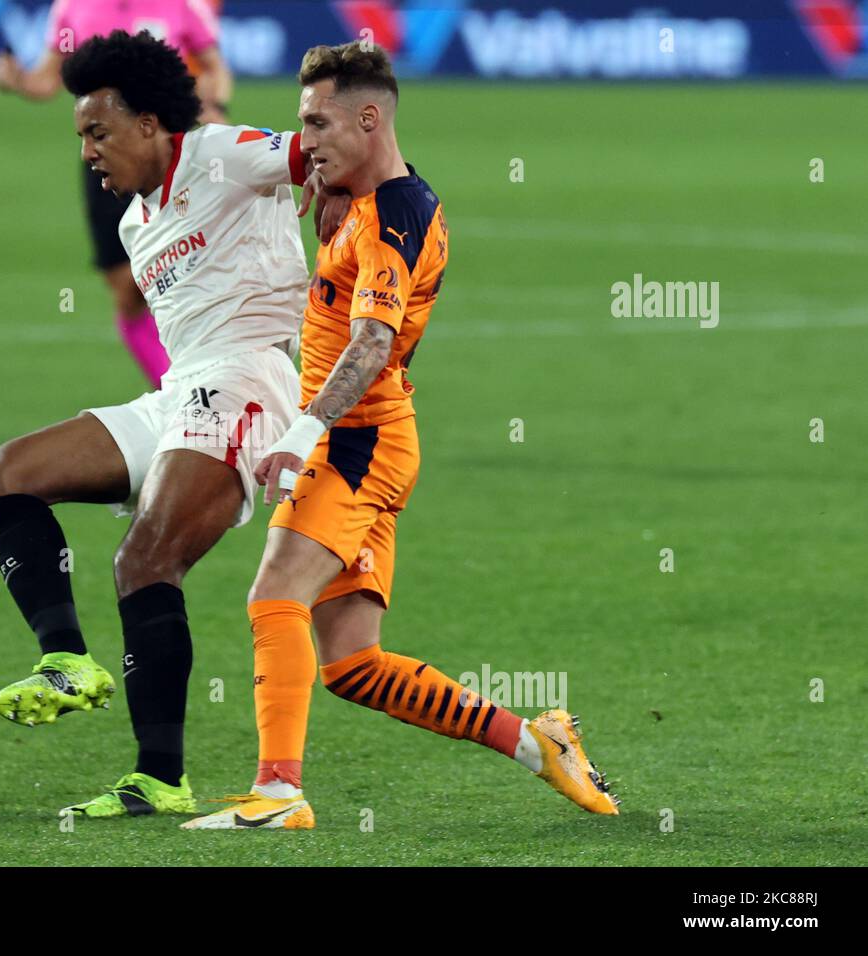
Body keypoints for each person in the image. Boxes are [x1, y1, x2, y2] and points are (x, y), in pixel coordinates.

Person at [183, 41, 619, 830]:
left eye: (318, 121)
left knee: (274, 596)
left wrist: (304, 429)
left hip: (357, 441)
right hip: (376, 439)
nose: (305, 138)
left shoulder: (395, 217)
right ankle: (538, 742)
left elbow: (372, 343)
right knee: (352, 664)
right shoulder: (358, 194)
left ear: (370, 116)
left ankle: (278, 794)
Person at [0, 30, 341, 819]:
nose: (87, 153)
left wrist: (351, 194)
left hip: (251, 378)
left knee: (144, 559)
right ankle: (66, 660)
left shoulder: (221, 152)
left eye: (97, 132)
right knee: (7, 475)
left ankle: (158, 778)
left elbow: (322, 150)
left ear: (150, 124)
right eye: (80, 137)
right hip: (181, 391)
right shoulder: (134, 224)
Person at [0, 0, 232, 387]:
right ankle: (175, 389)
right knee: (127, 289)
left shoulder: (184, 5)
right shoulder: (72, 7)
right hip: (104, 161)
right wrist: (17, 80)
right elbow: (46, 81)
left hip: (169, 157)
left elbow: (216, 69)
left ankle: (205, 385)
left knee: (187, 273)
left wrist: (212, 105)